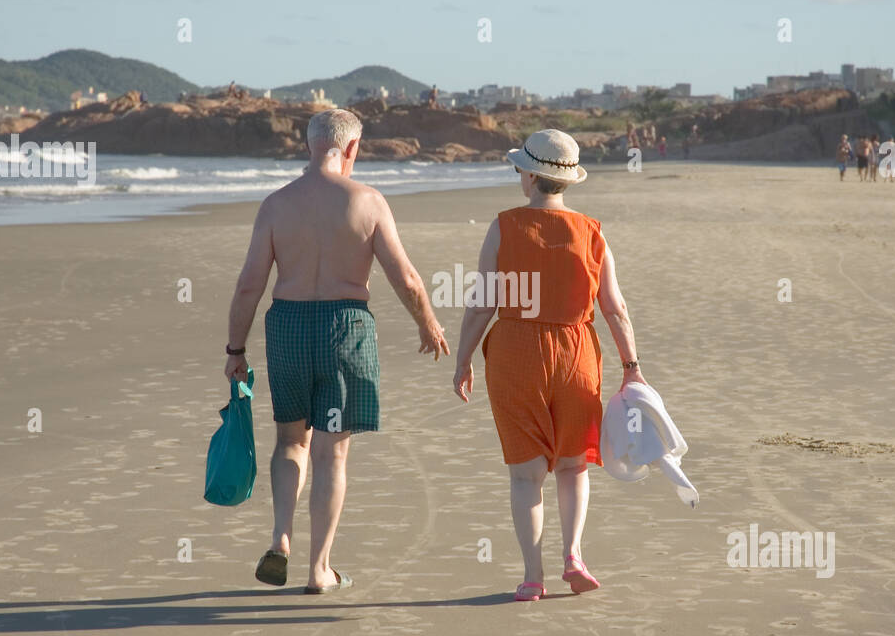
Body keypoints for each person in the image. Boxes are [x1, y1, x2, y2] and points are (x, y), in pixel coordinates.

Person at [224, 109, 450, 593]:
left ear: (309, 146)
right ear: (350, 149)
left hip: (287, 326)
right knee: (331, 454)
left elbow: (249, 286)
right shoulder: (367, 202)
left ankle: (280, 539)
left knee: (291, 443)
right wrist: (428, 323)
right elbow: (404, 277)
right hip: (345, 329)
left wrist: (235, 349)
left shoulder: (276, 205)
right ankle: (318, 569)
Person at [452, 129, 644, 602]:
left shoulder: (504, 225)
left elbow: (482, 305)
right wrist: (631, 365)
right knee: (574, 466)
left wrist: (462, 360)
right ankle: (574, 555)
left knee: (525, 474)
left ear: (529, 175)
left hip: (516, 351)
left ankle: (532, 575)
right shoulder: (593, 232)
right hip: (577, 349)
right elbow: (615, 309)